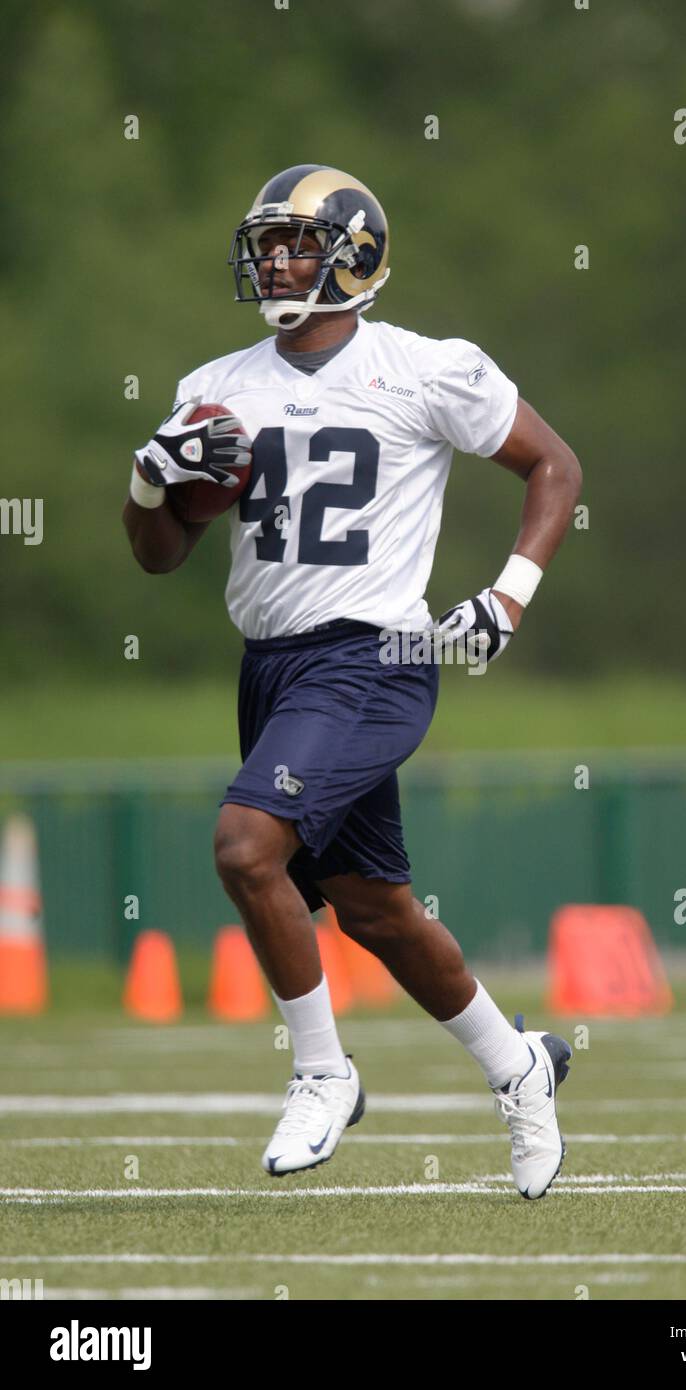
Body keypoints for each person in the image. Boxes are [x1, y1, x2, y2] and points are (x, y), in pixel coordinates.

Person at [122, 164, 582, 1199]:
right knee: (374, 907)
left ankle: (325, 1073)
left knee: (247, 849)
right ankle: (519, 1066)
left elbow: (554, 465)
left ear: (355, 252)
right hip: (273, 668)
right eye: (266, 244)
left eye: (295, 243)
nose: (275, 261)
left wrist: (504, 600)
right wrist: (149, 477)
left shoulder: (425, 368)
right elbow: (158, 553)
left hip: (377, 655)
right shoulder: (219, 384)